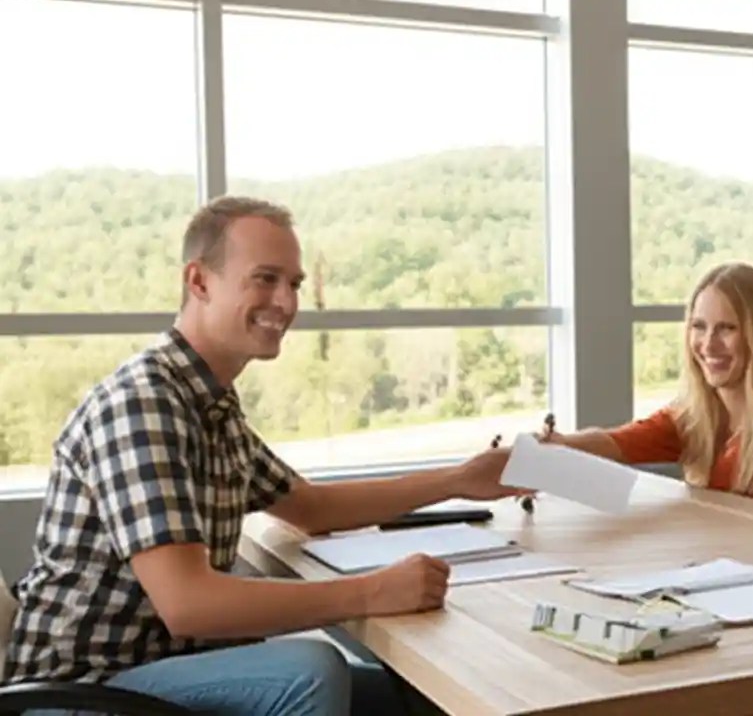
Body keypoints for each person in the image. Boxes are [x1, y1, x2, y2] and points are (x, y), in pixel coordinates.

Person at [1, 196, 527, 715]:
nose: (287, 302)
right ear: (199, 282)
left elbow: (311, 507)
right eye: (265, 278)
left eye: (294, 283)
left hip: (155, 677)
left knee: (405, 697)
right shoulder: (144, 404)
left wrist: (459, 478)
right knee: (310, 672)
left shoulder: (210, 405)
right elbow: (189, 605)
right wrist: (371, 593)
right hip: (84, 693)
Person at [533, 261, 753, 507]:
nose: (708, 345)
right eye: (698, 326)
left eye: (726, 329)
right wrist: (561, 446)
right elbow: (619, 442)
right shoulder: (695, 412)